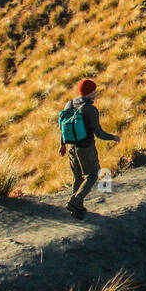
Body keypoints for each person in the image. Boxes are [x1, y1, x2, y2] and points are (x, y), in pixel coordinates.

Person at [58, 78, 119, 219]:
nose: (96, 93)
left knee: (77, 178)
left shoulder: (70, 103)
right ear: (89, 92)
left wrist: (62, 145)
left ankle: (77, 208)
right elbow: (99, 133)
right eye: (94, 91)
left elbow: (62, 125)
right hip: (86, 148)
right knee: (92, 175)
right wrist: (113, 137)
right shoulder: (90, 109)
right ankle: (75, 202)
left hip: (72, 148)